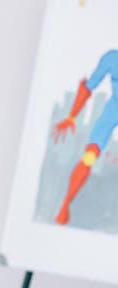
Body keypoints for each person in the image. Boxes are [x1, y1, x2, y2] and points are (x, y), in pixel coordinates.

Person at [52, 49, 118, 225]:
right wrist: (71, 116)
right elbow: (90, 85)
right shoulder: (112, 59)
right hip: (114, 109)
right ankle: (65, 205)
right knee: (89, 157)